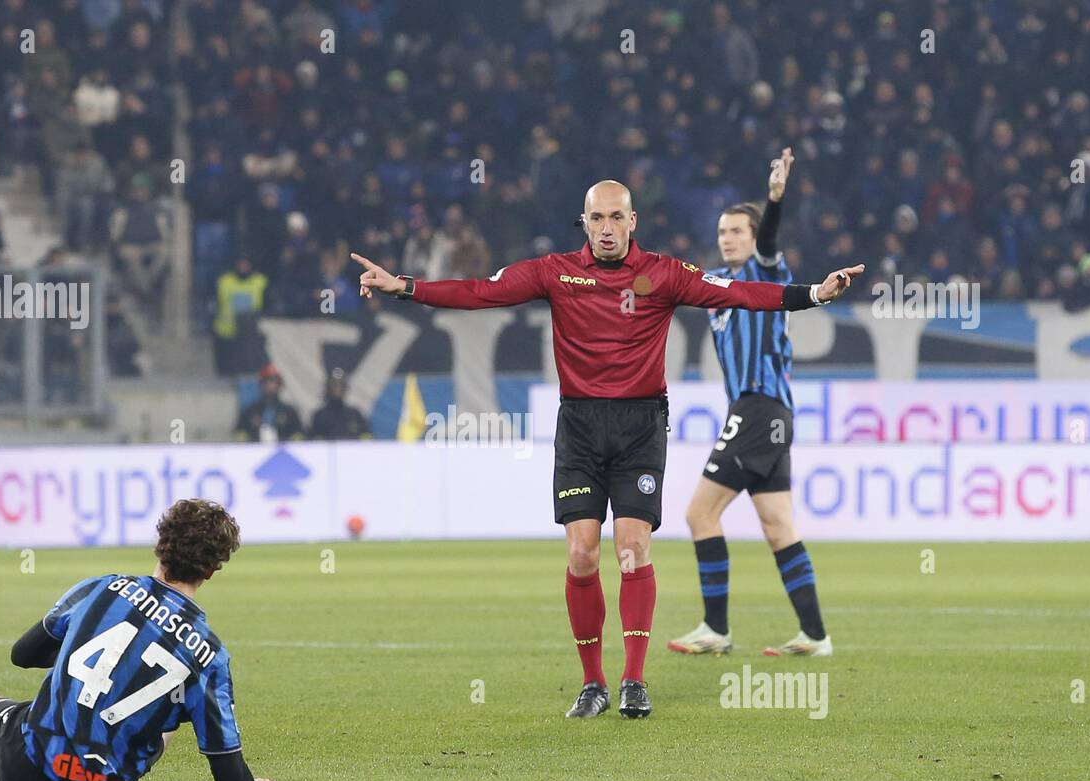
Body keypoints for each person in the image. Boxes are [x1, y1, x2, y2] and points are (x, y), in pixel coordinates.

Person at [352, 179, 862, 719]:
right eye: (598, 219)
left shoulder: (665, 273)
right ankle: (592, 682)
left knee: (632, 549)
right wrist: (404, 287)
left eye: (617, 218)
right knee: (581, 553)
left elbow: (737, 292)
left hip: (641, 425)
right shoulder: (555, 271)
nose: (608, 228)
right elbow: (480, 292)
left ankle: (634, 680)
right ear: (585, 221)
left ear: (633, 221)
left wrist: (814, 294)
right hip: (579, 425)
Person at [0, 499, 293, 781]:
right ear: (211, 571)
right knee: (165, 721)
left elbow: (24, 654)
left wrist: (82, 649)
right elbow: (230, 776)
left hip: (29, 766)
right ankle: (103, 765)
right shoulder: (210, 655)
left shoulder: (100, 589)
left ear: (159, 546)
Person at [667, 148, 836, 658]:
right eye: (722, 232)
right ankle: (815, 635)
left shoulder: (765, 276)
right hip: (769, 414)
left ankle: (715, 629)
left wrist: (774, 200)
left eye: (737, 231)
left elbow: (769, 244)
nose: (728, 238)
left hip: (759, 409)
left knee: (699, 514)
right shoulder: (715, 283)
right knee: (778, 524)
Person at [234, 363, 305, 441]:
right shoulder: (250, 411)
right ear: (261, 385)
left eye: (274, 382)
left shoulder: (289, 412)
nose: (270, 386)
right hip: (256, 451)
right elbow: (239, 432)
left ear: (280, 386)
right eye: (266, 382)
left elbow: (299, 434)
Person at [308, 368, 371, 439]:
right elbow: (312, 442)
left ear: (346, 388)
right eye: (334, 385)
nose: (338, 389)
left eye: (342, 385)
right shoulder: (319, 416)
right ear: (328, 388)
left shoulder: (355, 414)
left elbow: (367, 437)